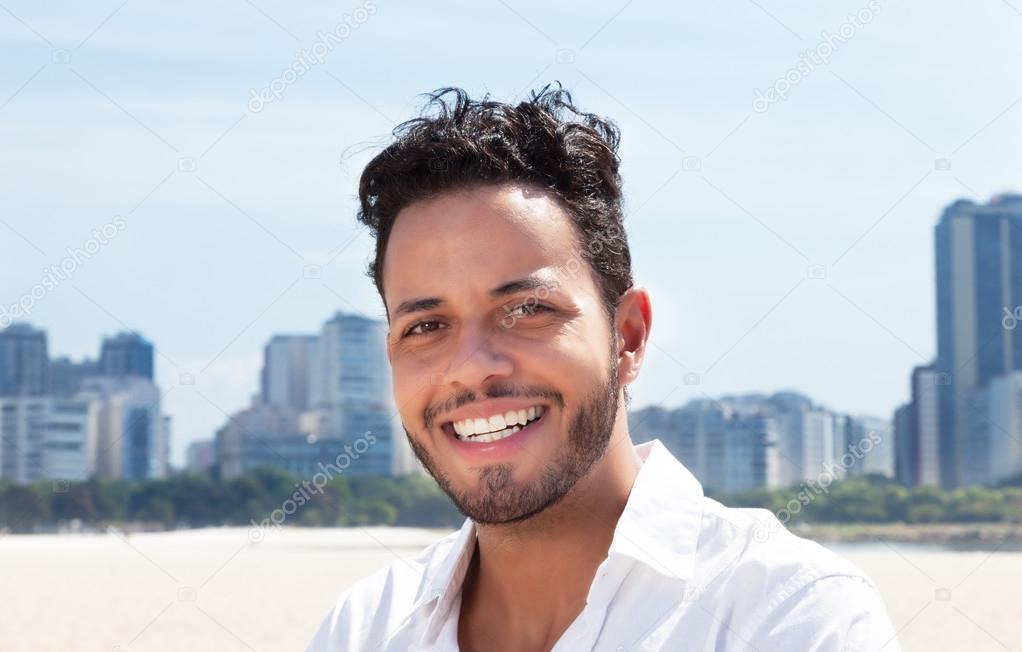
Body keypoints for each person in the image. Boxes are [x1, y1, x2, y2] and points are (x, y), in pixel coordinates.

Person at [306, 83, 900, 651]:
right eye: (426, 327)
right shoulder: (364, 629)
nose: (471, 368)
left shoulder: (788, 615)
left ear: (628, 336)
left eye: (526, 309)